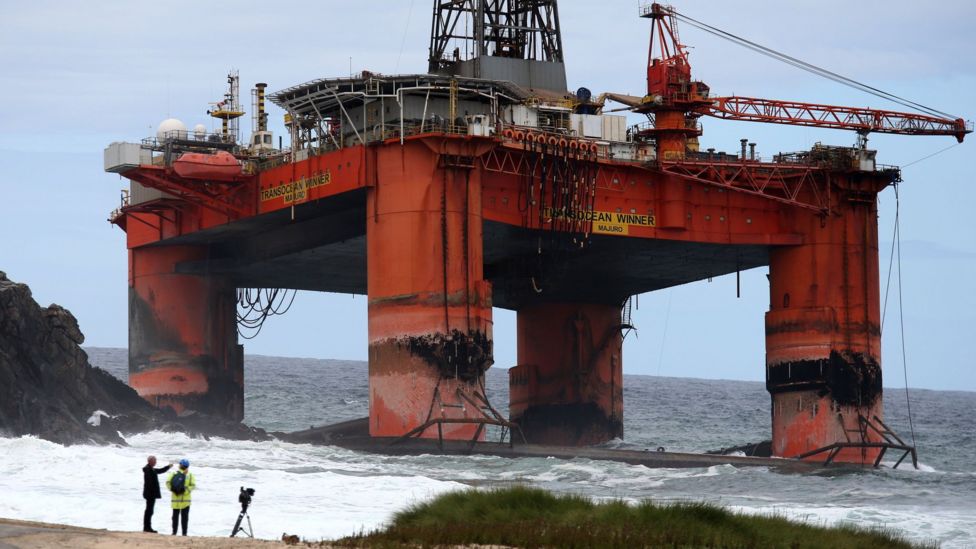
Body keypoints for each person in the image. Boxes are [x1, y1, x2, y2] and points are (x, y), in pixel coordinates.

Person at [142, 456, 172, 533]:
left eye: (156, 461)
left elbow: (160, 470)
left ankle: (147, 527)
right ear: (150, 461)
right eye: (154, 461)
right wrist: (153, 492)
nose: (155, 462)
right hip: (150, 494)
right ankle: (147, 527)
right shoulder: (148, 469)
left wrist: (168, 467)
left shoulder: (151, 469)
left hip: (151, 494)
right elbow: (149, 483)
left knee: (150, 511)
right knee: (149, 511)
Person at [165, 458, 196, 536]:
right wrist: (185, 491)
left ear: (180, 465)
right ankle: (184, 533)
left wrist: (173, 490)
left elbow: (168, 482)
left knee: (175, 517)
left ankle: (174, 532)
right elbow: (193, 485)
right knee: (184, 518)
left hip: (176, 499)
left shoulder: (174, 473)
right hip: (185, 501)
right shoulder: (190, 474)